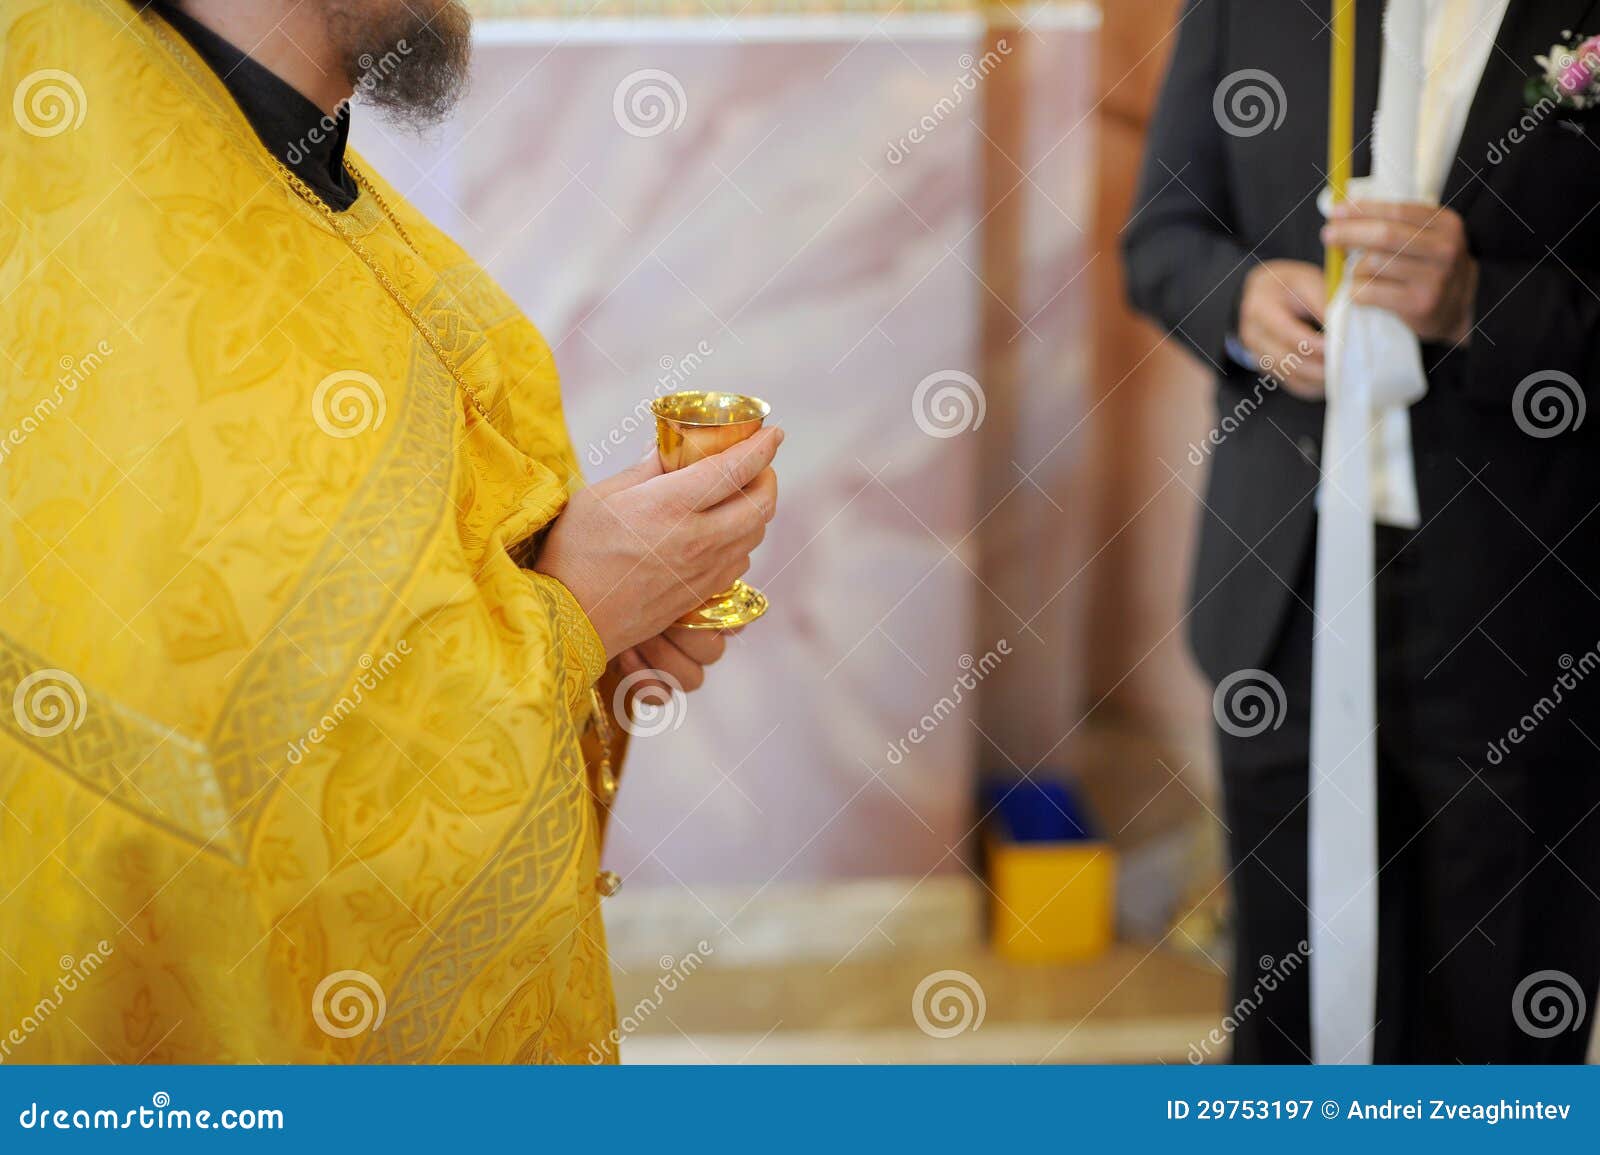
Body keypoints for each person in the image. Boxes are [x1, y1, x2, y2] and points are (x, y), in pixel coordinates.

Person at [0, 0, 778, 1063]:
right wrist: (566, 618)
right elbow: (170, 759)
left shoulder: (241, 139)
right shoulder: (82, 184)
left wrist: (572, 585)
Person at [1124, 0, 1600, 1062]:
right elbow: (1159, 237)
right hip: (1280, 585)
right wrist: (1239, 304)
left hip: (1525, 604)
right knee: (1287, 1012)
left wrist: (1485, 303)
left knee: (1497, 1015)